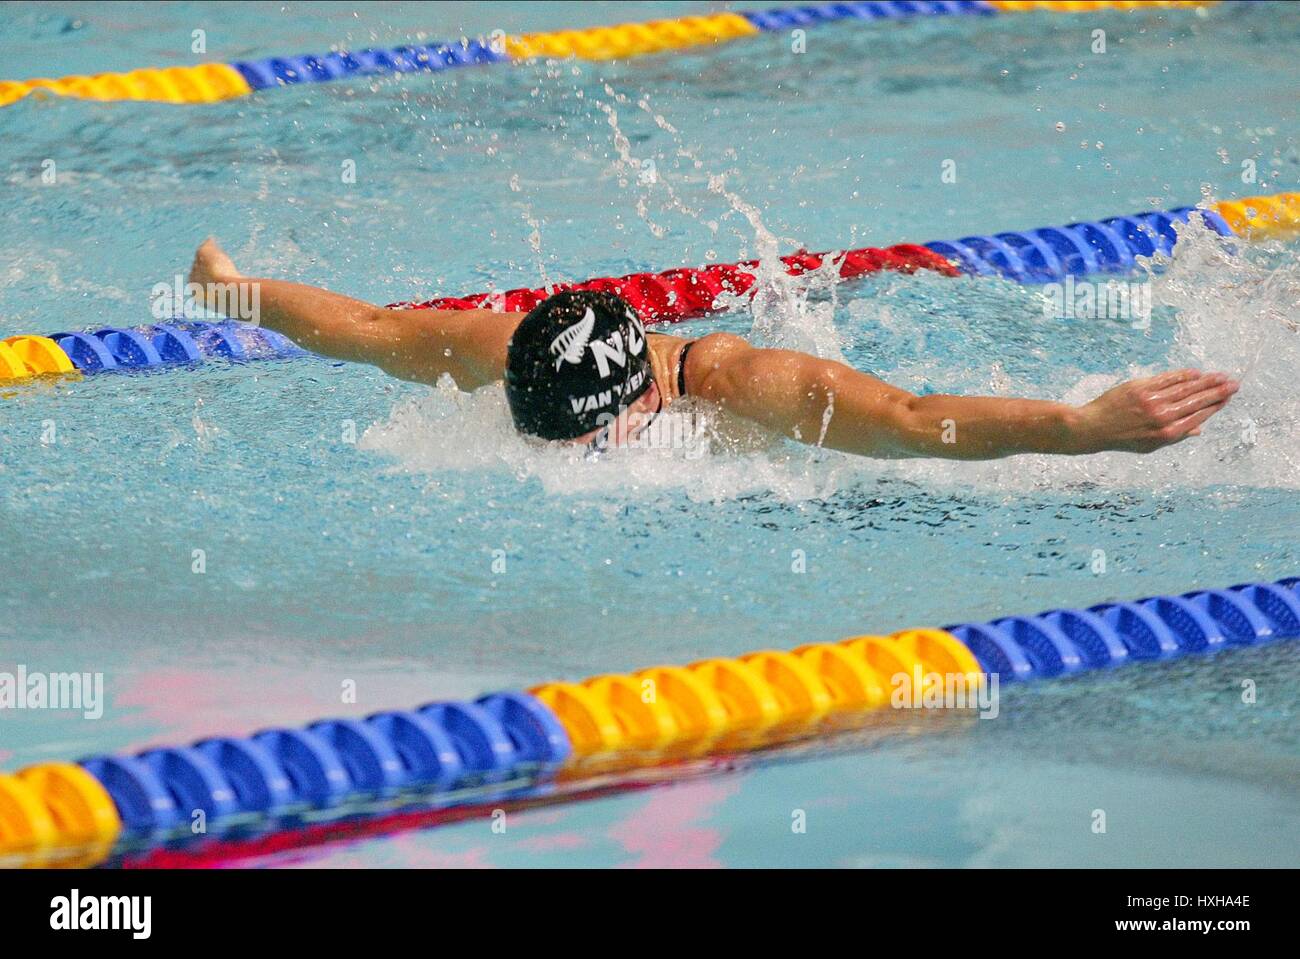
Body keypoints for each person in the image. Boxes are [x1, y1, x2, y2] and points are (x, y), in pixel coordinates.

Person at [188, 238, 1238, 459]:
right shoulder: (509, 347)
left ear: (637, 402)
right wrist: (231, 287)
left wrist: (1083, 422)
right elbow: (365, 329)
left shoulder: (757, 384)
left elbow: (920, 421)